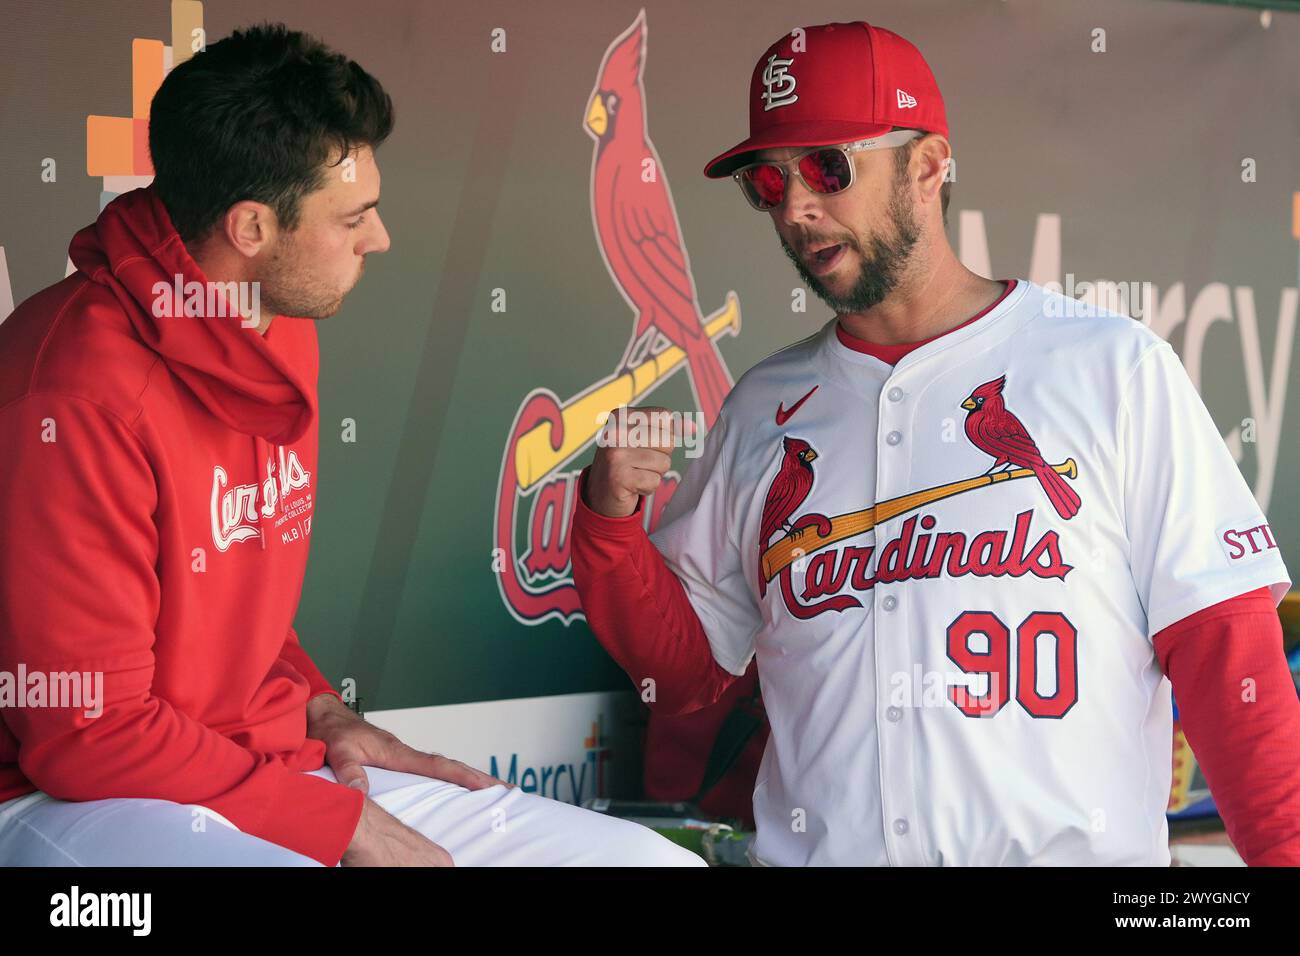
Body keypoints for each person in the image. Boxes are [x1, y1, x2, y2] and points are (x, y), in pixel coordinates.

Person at [570, 20, 1300, 866]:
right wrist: (611, 525)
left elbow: (1228, 660)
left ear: (926, 165)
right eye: (769, 181)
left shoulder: (1113, 369)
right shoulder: (762, 408)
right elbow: (689, 673)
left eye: (828, 168)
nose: (798, 207)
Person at [0, 23, 701, 868]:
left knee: (653, 867)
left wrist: (323, 712)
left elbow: (232, 603)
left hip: (260, 757)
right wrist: (335, 825)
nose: (380, 238)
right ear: (252, 227)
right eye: (354, 216)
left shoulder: (278, 323)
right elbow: (88, 733)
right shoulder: (73, 391)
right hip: (76, 798)